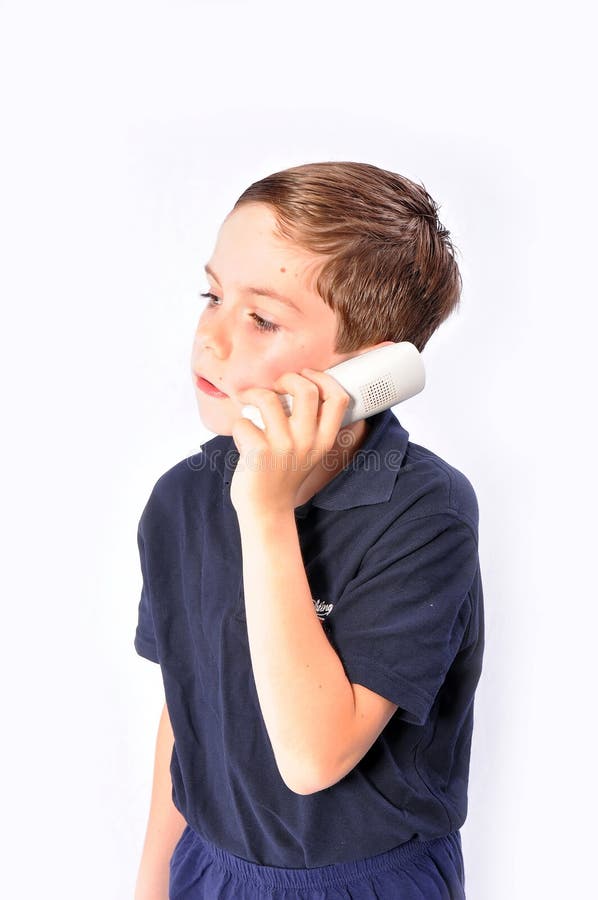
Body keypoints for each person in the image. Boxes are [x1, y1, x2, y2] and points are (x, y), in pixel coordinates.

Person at [133, 161, 485, 899]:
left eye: (261, 318)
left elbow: (312, 756)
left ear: (373, 368)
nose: (212, 338)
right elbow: (186, 715)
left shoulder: (427, 514)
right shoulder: (180, 502)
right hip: (209, 865)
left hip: (365, 882)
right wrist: (150, 884)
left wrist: (264, 513)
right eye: (213, 296)